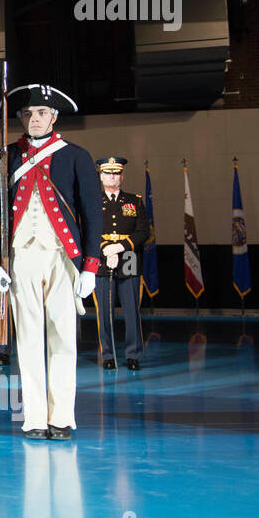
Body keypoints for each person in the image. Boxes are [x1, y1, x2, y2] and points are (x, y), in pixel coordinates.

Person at [0, 85, 101, 440]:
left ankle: (61, 416)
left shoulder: (75, 156)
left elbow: (92, 213)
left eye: (42, 114)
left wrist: (91, 266)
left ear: (54, 118)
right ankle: (35, 416)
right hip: (21, 258)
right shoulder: (6, 157)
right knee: (29, 340)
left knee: (63, 339)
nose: (35, 119)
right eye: (28, 114)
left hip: (61, 257)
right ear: (21, 118)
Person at [94, 156, 149, 370]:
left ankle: (133, 355)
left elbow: (144, 231)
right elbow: (85, 231)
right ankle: (108, 355)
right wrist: (104, 249)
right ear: (100, 176)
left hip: (129, 258)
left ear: (122, 176)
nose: (112, 177)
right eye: (107, 173)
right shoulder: (92, 201)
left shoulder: (134, 201)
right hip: (102, 258)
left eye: (116, 173)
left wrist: (121, 247)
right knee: (104, 311)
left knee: (131, 310)